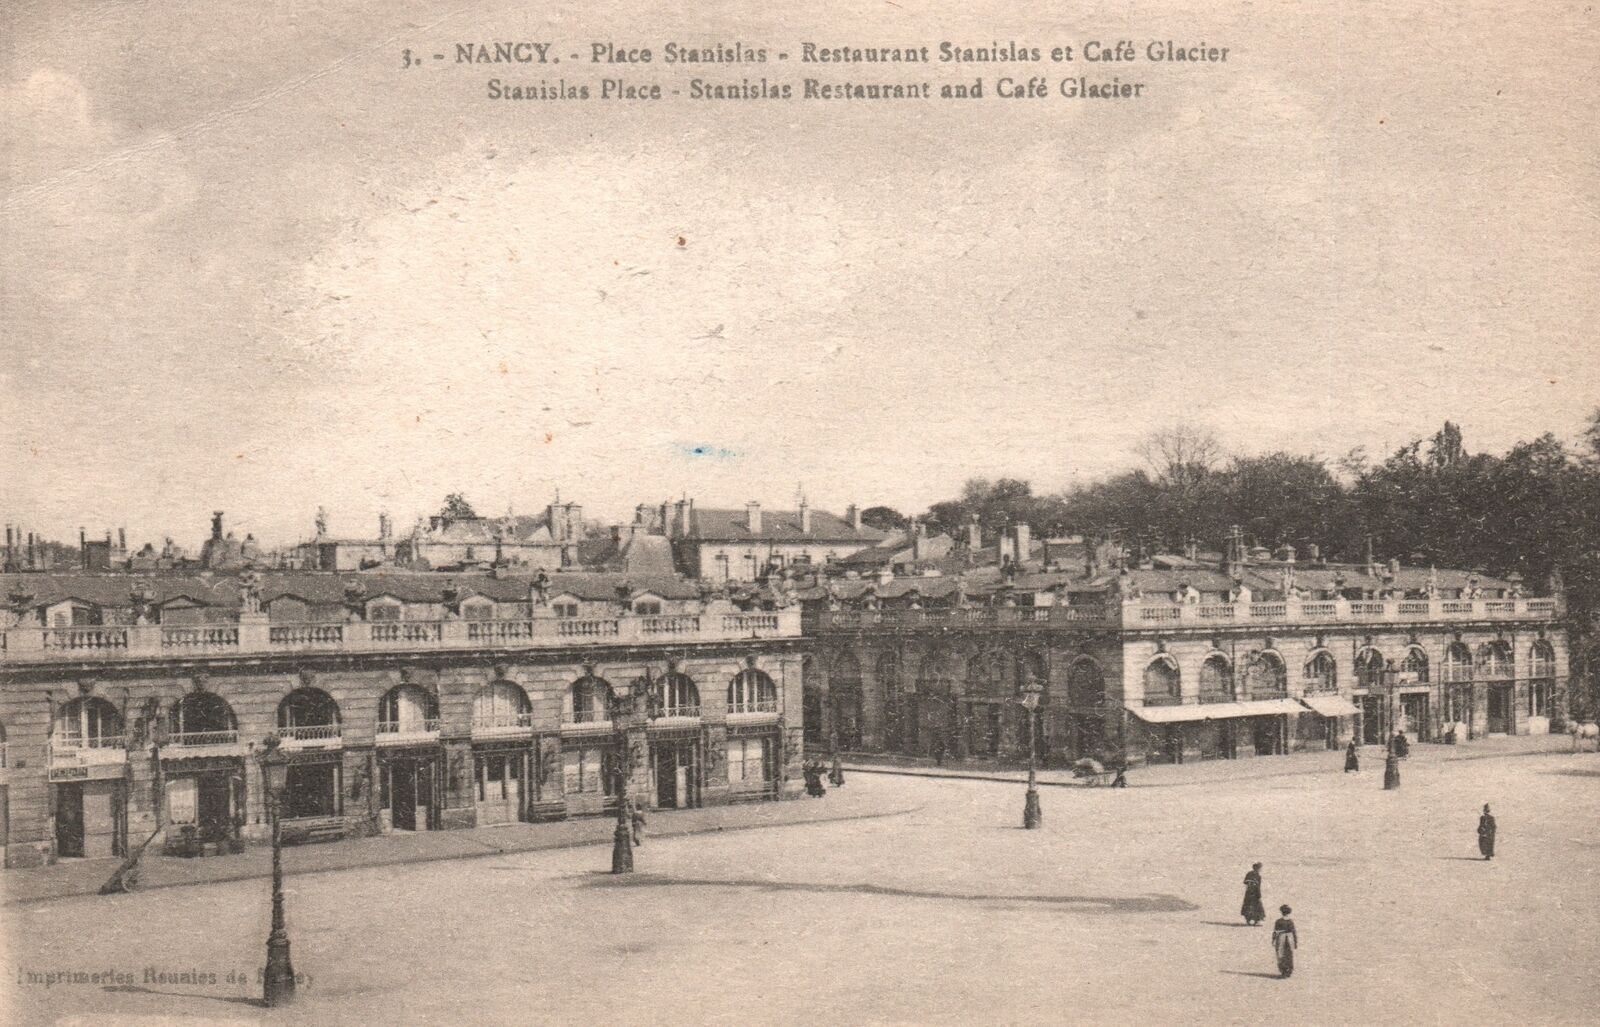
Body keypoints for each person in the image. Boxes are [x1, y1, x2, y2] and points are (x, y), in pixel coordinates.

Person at [1271, 905, 1298, 978]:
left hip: (1281, 938)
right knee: (1289, 955)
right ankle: (1288, 971)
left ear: (1281, 912)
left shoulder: (1278, 921)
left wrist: (1273, 940)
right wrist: (1295, 942)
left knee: (1281, 954)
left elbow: (1275, 932)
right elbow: (1294, 932)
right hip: (1290, 938)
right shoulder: (1290, 921)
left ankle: (1283, 971)